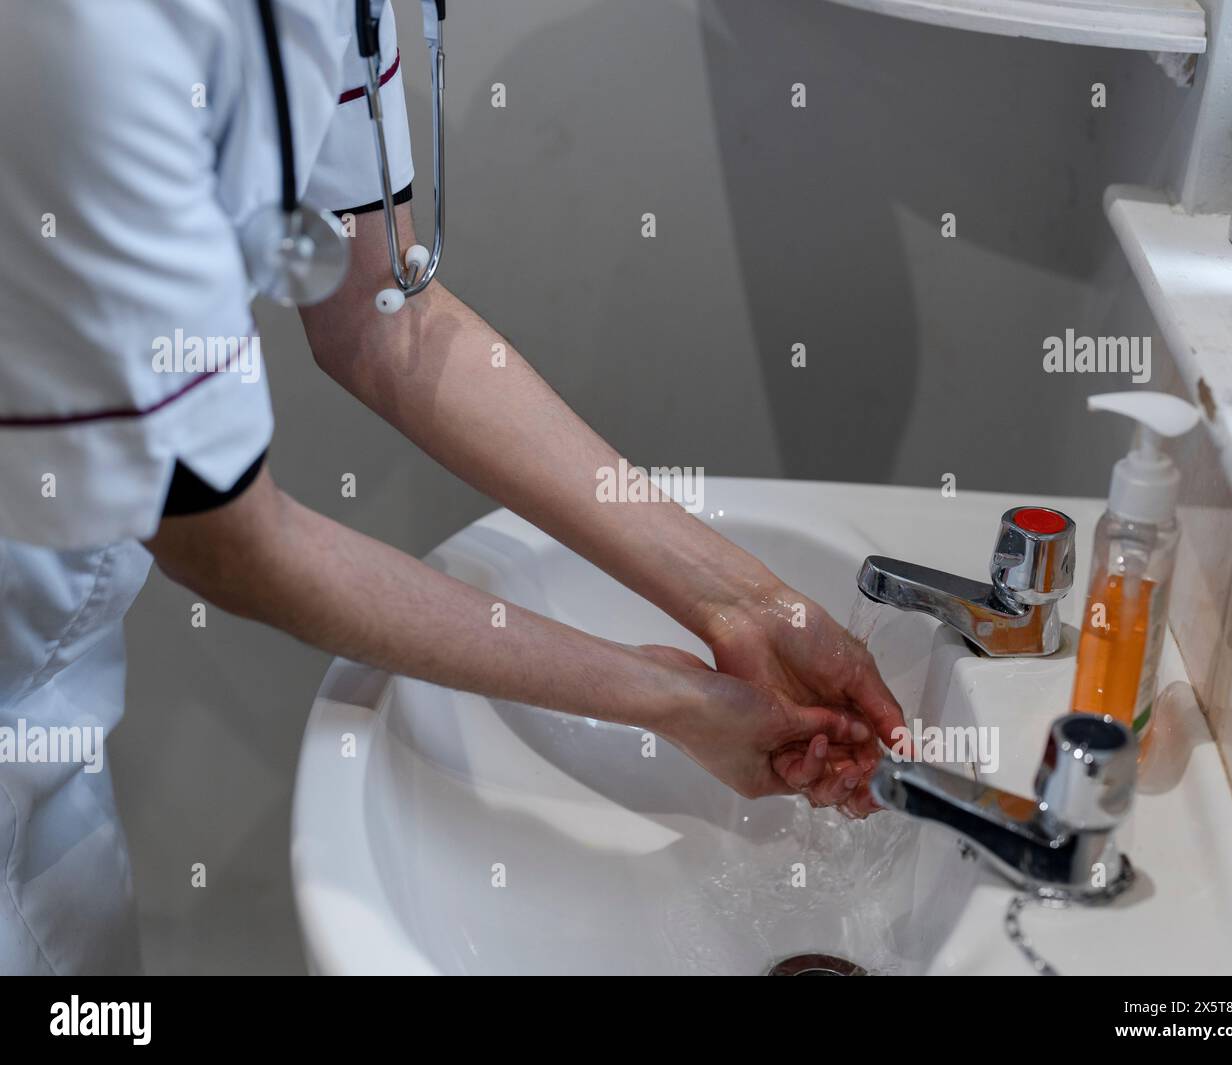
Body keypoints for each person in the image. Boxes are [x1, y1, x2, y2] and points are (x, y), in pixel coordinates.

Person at [0, 0, 904, 975]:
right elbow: (229, 547)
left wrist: (742, 603)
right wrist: (665, 701)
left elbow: (382, 314)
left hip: (54, 703)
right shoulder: (91, 36)